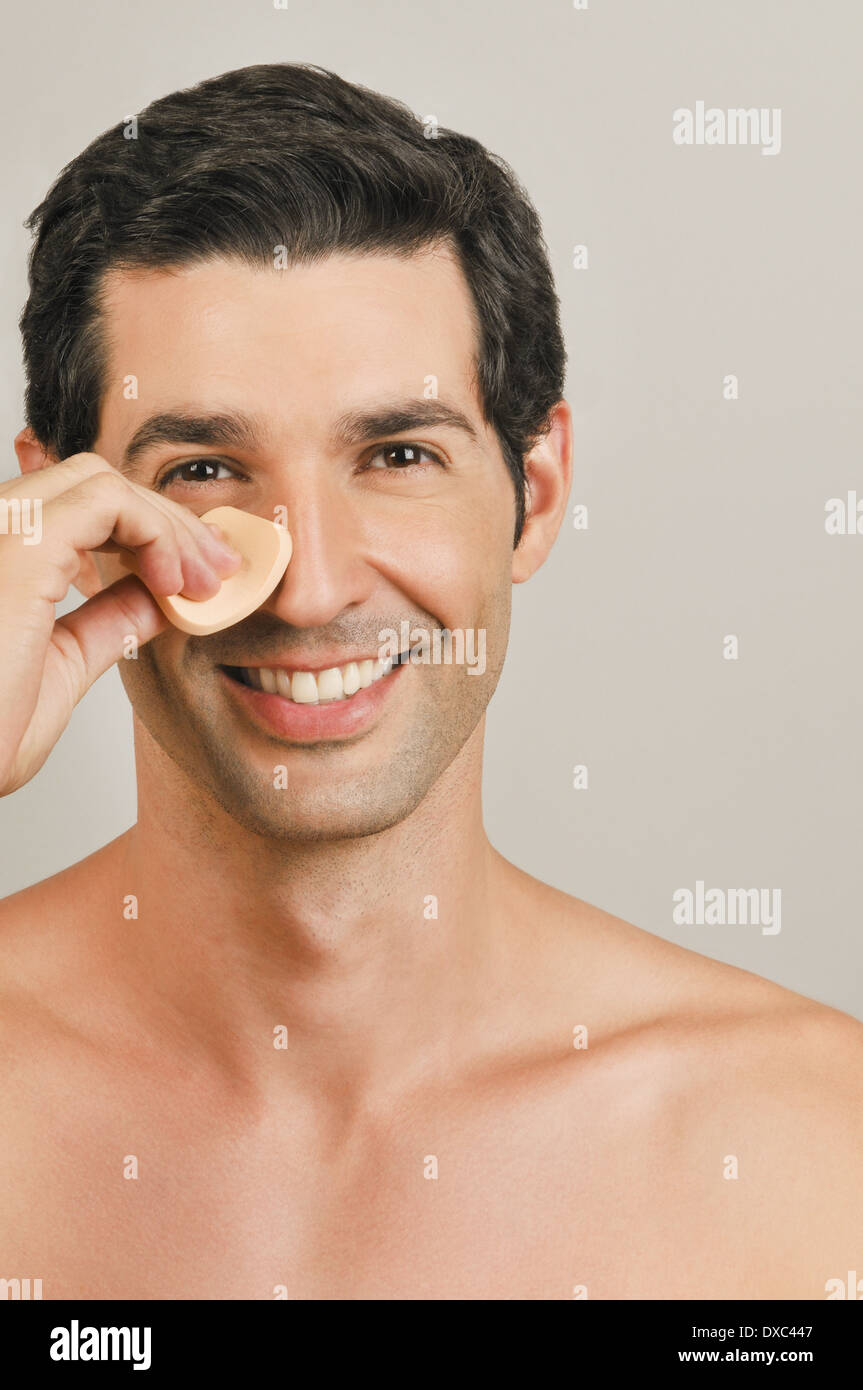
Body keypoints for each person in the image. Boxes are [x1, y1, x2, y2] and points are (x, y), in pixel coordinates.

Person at [1, 63, 860, 1302]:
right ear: (59, 519)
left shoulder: (804, 1151)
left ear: (536, 491)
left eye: (397, 453)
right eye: (199, 469)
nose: (308, 592)